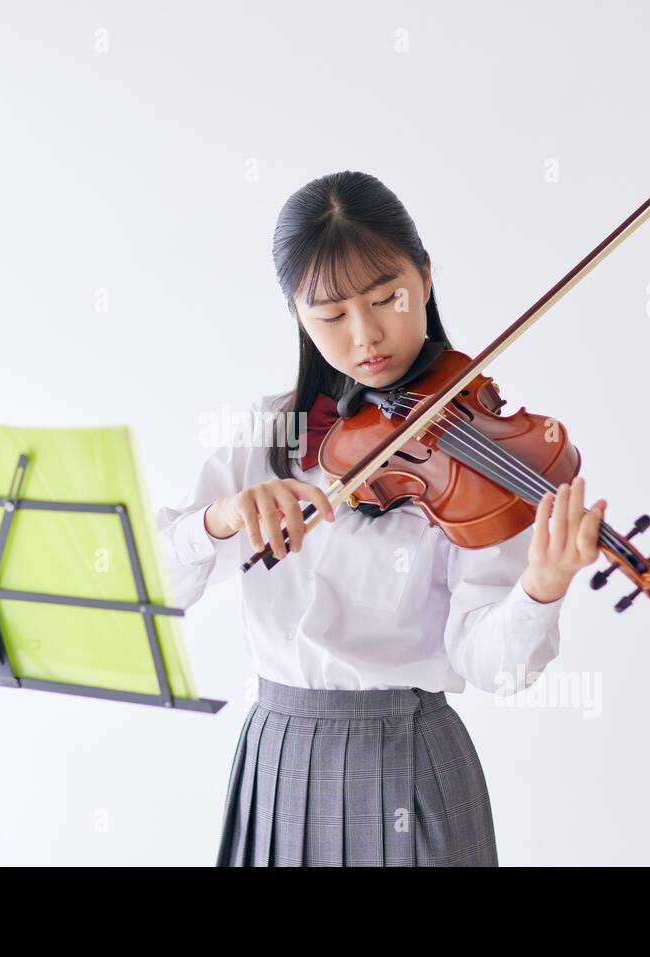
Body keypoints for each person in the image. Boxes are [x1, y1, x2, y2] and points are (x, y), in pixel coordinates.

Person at [156, 170, 604, 866]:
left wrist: (540, 588)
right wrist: (216, 519)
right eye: (331, 315)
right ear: (298, 315)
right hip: (278, 756)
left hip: (410, 760)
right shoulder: (270, 432)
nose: (366, 335)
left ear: (425, 278)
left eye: (387, 296)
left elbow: (493, 666)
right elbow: (156, 582)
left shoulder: (475, 454)